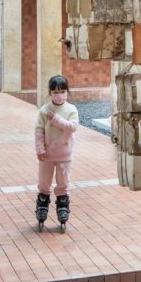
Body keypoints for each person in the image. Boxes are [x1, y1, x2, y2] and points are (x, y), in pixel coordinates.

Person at [35, 75, 79, 231]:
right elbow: (39, 130)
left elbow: (72, 127)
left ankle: (62, 207)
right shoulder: (45, 110)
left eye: (61, 92)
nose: (58, 95)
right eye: (55, 92)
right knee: (44, 183)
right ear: (50, 93)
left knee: (63, 183)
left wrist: (56, 120)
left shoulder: (71, 109)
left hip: (64, 156)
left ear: (67, 92)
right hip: (46, 155)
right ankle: (42, 206)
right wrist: (40, 149)